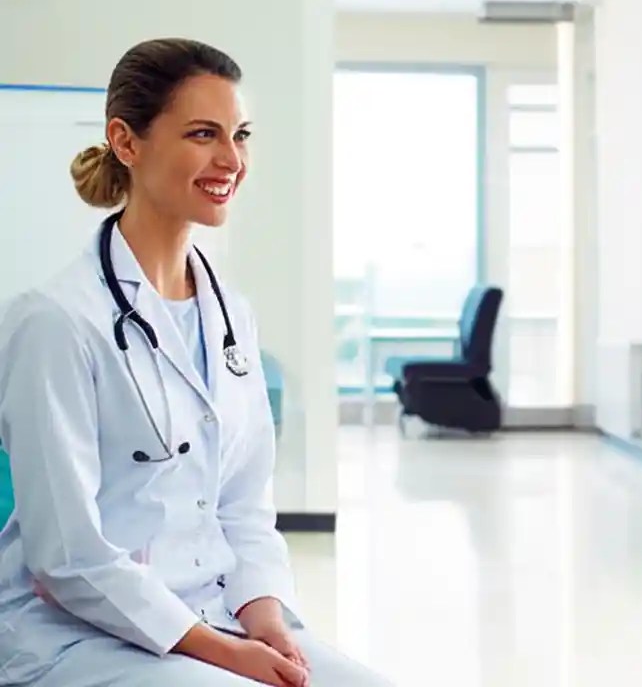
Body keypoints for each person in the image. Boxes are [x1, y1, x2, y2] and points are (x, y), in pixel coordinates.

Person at [0, 39, 391, 686]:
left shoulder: (230, 314)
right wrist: (226, 654)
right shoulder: (56, 322)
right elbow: (68, 556)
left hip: (214, 613)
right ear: (126, 142)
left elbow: (244, 503)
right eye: (203, 134)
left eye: (240, 135)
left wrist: (265, 617)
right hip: (78, 633)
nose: (232, 159)